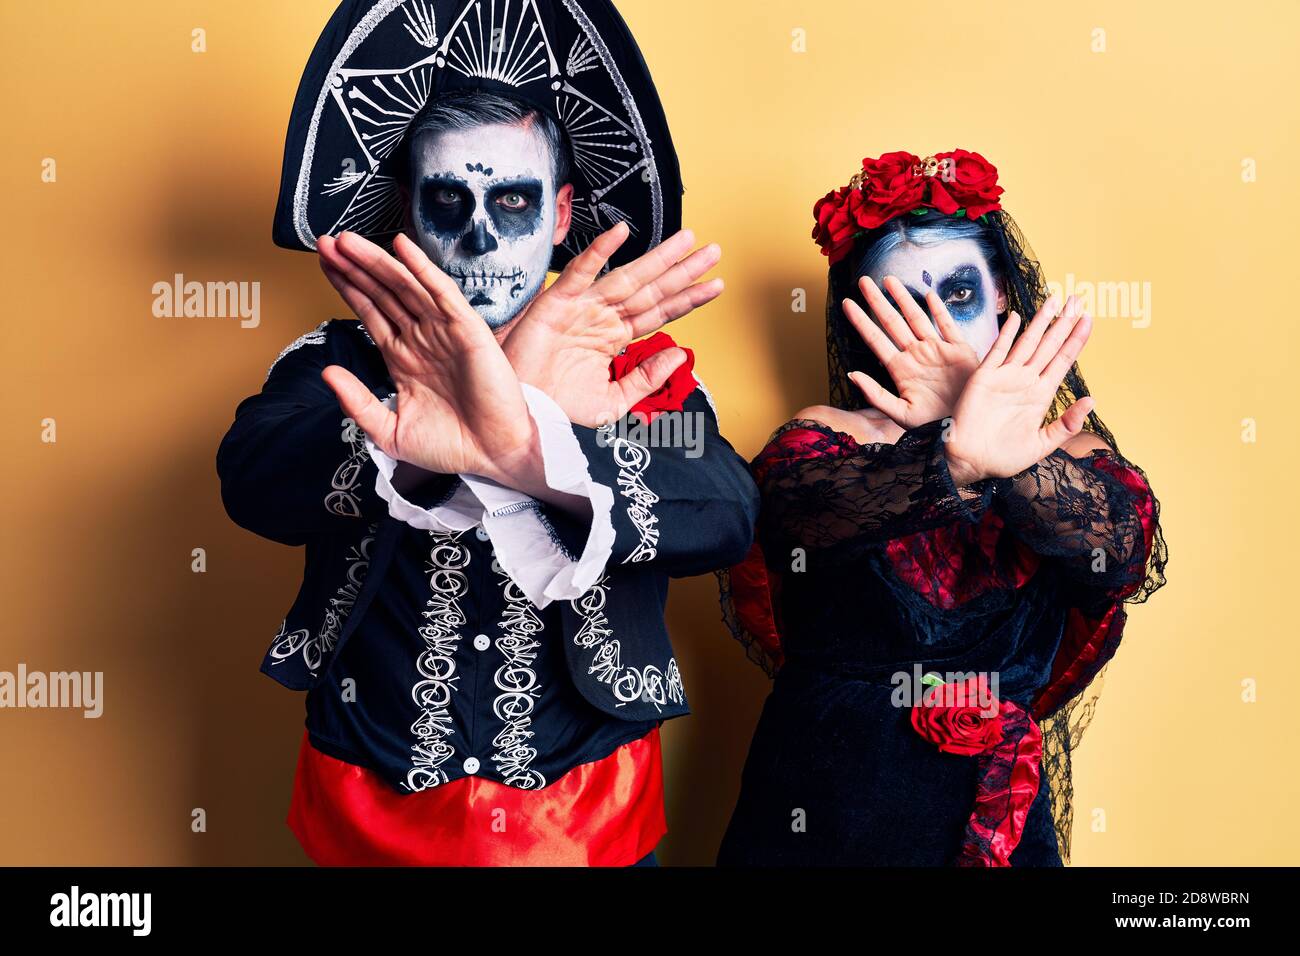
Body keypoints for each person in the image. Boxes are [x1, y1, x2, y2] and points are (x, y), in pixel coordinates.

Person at [216, 0, 758, 866]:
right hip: (371, 800)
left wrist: (534, 445)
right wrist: (406, 435)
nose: (480, 235)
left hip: (587, 812)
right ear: (408, 212)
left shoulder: (627, 362)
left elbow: (726, 512)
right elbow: (251, 478)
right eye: (448, 199)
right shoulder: (343, 355)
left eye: (512, 201)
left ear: (559, 213)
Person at [715, 149, 1167, 866]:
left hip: (990, 819)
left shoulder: (1066, 456)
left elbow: (1119, 554)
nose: (937, 333)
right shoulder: (828, 437)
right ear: (861, 323)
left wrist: (1002, 450)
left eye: (957, 296)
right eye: (901, 308)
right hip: (820, 808)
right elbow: (789, 522)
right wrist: (951, 457)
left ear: (1000, 298)